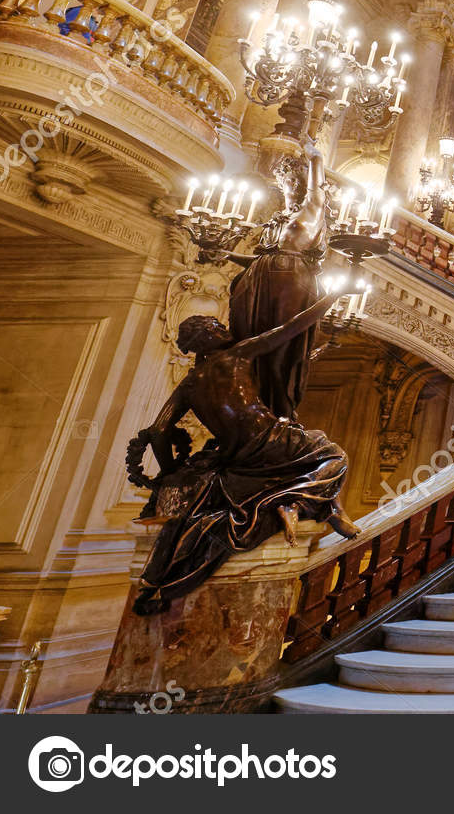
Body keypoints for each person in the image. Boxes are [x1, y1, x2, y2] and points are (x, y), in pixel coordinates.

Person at [127, 296, 357, 615]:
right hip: (272, 440)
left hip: (238, 456)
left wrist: (167, 471)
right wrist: (332, 296)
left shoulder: (190, 383)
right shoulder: (236, 356)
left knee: (312, 451)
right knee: (335, 455)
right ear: (203, 339)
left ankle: (309, 502)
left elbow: (158, 431)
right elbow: (291, 328)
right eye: (214, 326)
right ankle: (293, 501)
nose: (222, 327)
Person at [224, 139, 332, 416]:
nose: (293, 187)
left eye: (298, 182)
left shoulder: (311, 211)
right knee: (252, 344)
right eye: (288, 182)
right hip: (260, 281)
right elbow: (260, 259)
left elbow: (317, 192)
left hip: (293, 282)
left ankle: (280, 413)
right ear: (281, 185)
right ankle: (254, 407)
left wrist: (316, 159)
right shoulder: (275, 222)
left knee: (280, 345)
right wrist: (224, 254)